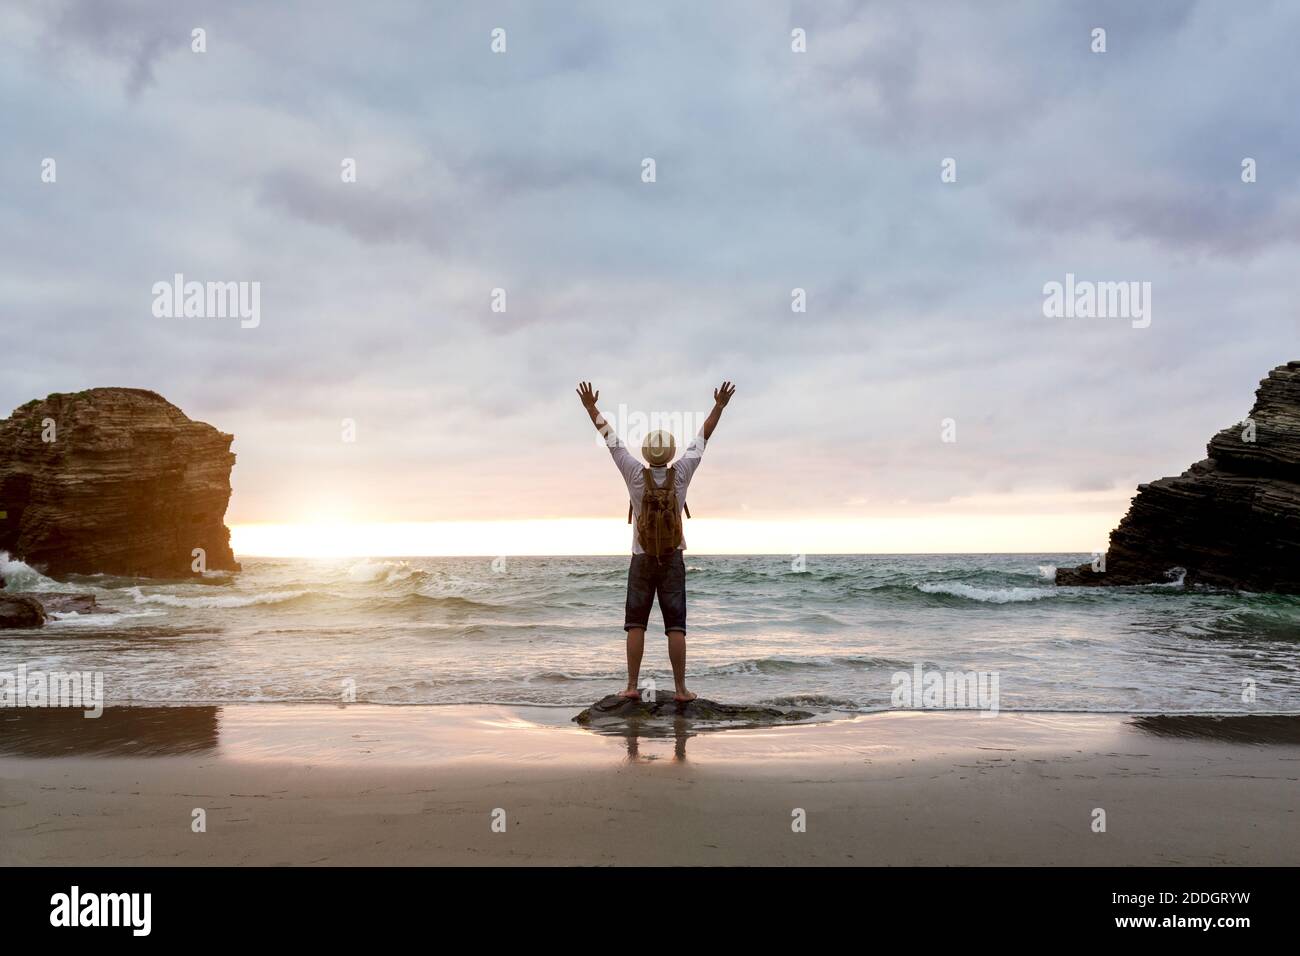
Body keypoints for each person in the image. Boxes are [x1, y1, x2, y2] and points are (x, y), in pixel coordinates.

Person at [576, 380, 736, 702]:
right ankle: (680, 690)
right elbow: (703, 438)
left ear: (648, 453)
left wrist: (591, 408)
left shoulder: (634, 473)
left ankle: (632, 686)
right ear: (672, 453)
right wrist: (718, 406)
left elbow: (612, 441)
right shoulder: (682, 472)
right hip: (673, 557)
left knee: (636, 623)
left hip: (642, 556)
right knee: (676, 626)